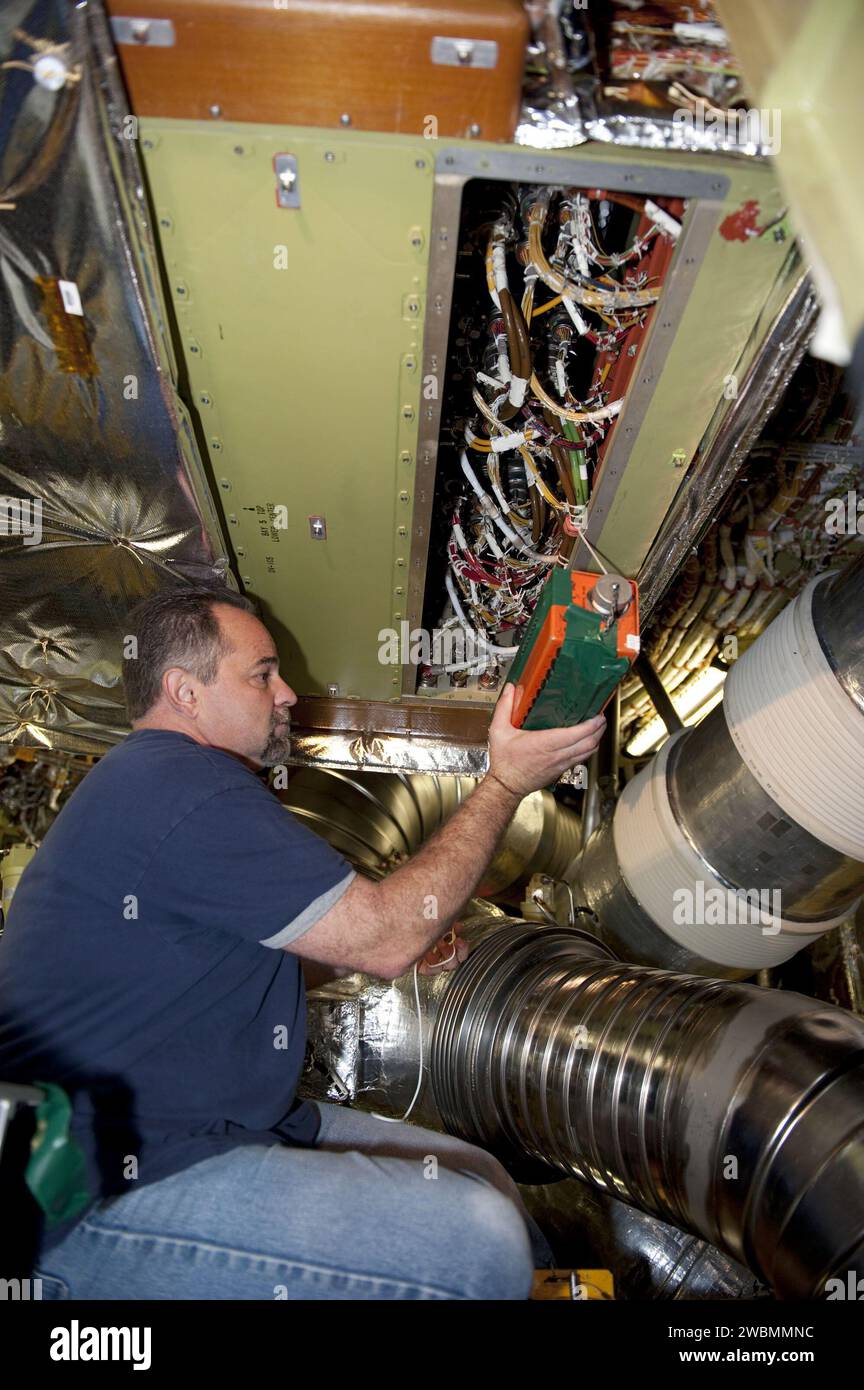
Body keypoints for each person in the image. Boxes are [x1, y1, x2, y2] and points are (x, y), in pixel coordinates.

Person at [0, 587, 606, 1300]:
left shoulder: (155, 783)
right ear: (185, 692)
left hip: (215, 1126)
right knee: (477, 1239)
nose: (287, 693)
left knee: (484, 1176)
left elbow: (245, 964)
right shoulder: (181, 784)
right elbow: (385, 935)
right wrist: (505, 782)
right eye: (263, 675)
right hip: (96, 1185)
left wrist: (382, 948)